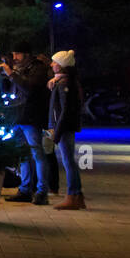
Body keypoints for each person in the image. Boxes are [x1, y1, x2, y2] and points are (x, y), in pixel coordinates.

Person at [1, 40, 51, 204]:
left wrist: (12, 74)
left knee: (37, 153)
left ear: (27, 54)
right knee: (23, 155)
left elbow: (29, 89)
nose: (14, 57)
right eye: (13, 54)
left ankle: (42, 191)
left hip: (31, 117)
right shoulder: (18, 69)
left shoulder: (38, 68)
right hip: (17, 116)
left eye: (17, 54)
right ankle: (25, 189)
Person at [48, 50, 85, 210]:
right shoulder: (63, 81)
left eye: (54, 62)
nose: (51, 64)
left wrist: (57, 131)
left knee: (68, 161)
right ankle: (76, 196)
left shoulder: (65, 84)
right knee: (69, 161)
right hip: (65, 127)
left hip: (64, 128)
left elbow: (65, 110)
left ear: (62, 65)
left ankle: (73, 194)